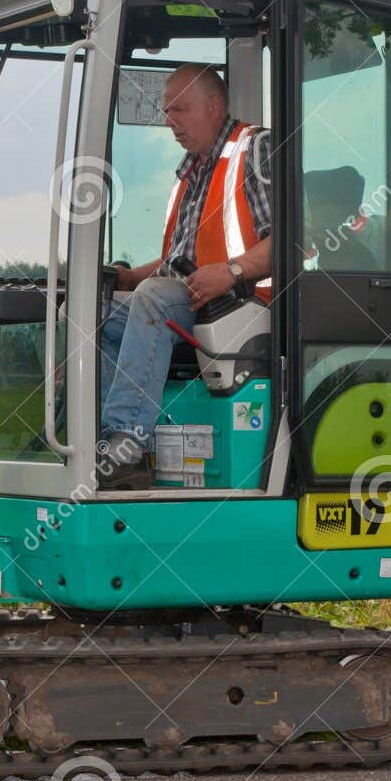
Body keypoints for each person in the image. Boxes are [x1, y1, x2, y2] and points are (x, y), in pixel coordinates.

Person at [95, 64, 273, 490]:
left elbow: (292, 241)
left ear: (213, 106)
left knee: (155, 297)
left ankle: (127, 444)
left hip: (243, 304)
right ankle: (95, 438)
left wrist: (231, 272)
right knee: (89, 310)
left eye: (180, 110)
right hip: (190, 298)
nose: (170, 122)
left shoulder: (255, 149)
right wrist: (125, 278)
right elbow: (174, 262)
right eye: (166, 111)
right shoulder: (192, 168)